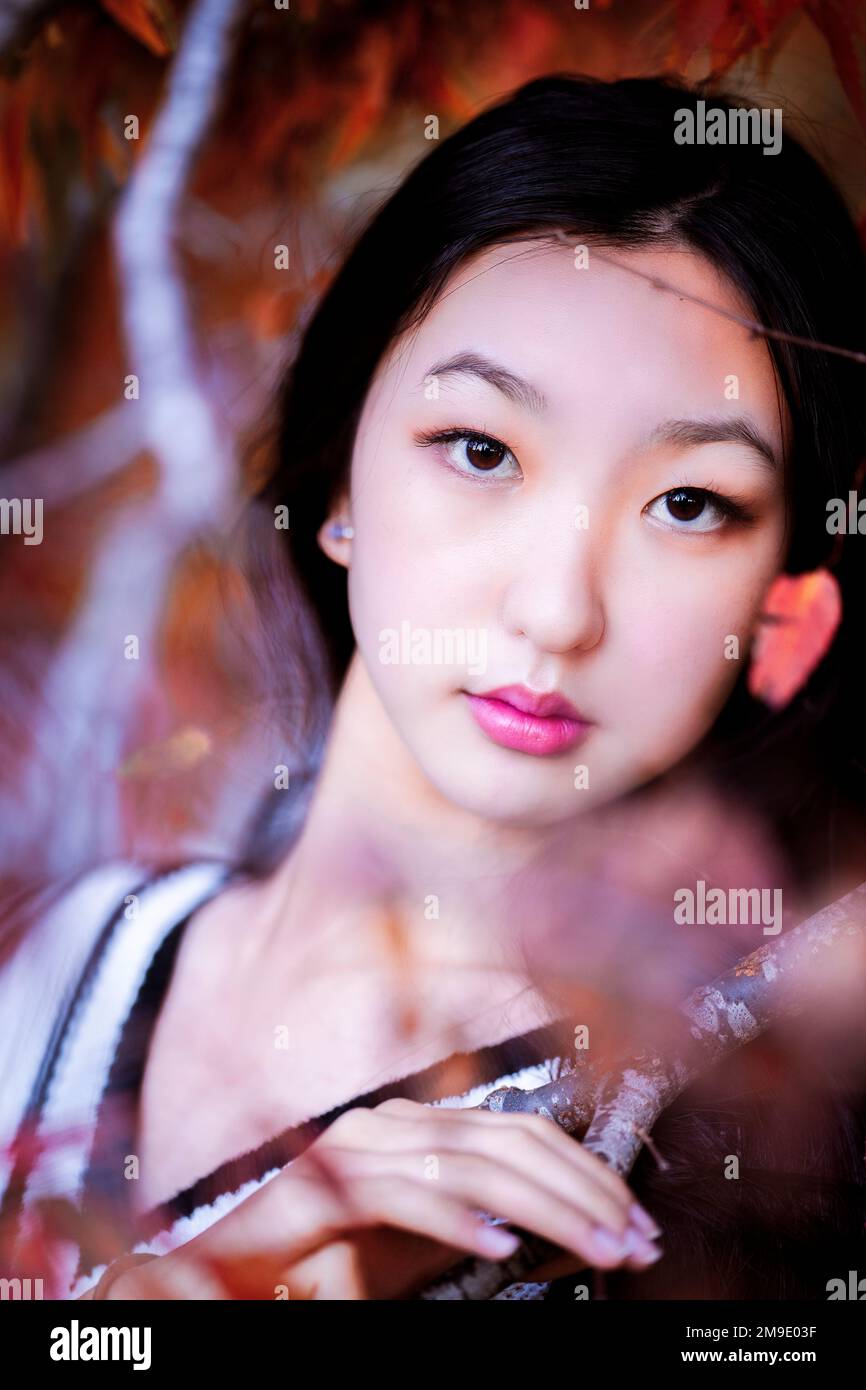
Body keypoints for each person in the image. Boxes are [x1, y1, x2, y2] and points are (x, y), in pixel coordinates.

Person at [2, 71, 866, 1301]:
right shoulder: (70, 955)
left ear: (786, 588)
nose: (558, 610)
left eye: (689, 505)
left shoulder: (711, 1145)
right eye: (479, 450)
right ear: (341, 476)